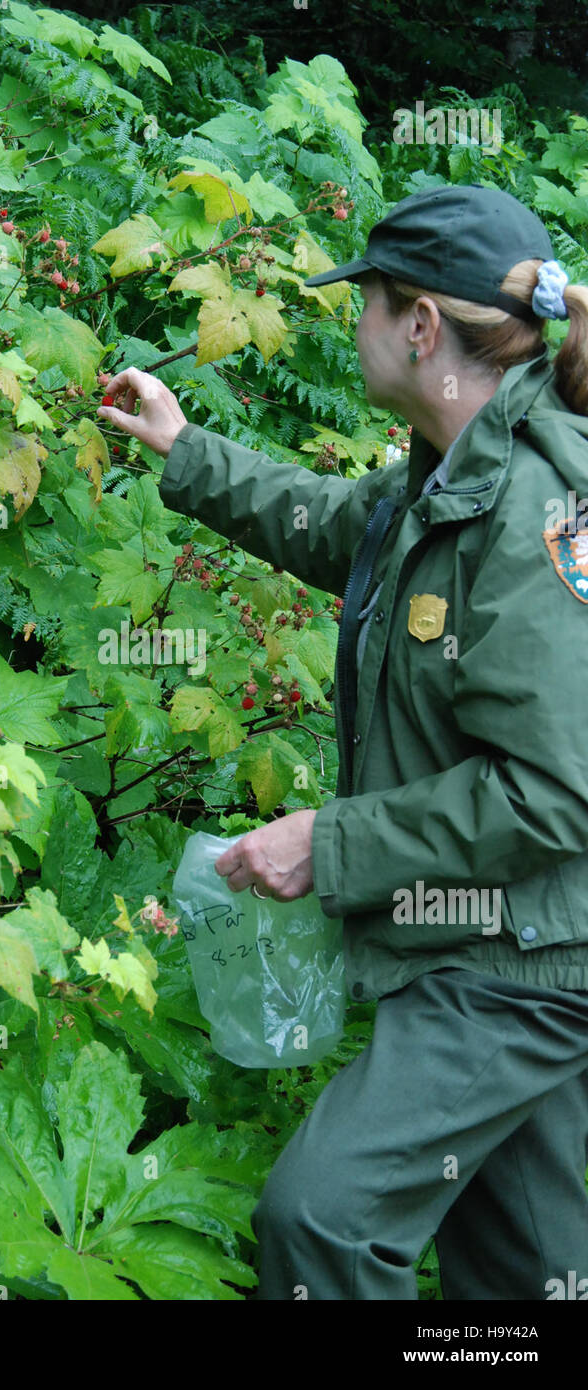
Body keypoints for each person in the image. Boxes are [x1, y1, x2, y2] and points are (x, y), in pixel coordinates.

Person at [97, 183, 588, 1300]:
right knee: (525, 1276)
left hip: (516, 963)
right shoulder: (451, 470)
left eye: (363, 302)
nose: (352, 323)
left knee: (317, 1219)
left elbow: (553, 794)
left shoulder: (534, 511)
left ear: (420, 326)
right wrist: (182, 449)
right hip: (488, 936)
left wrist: (332, 841)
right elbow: (336, 527)